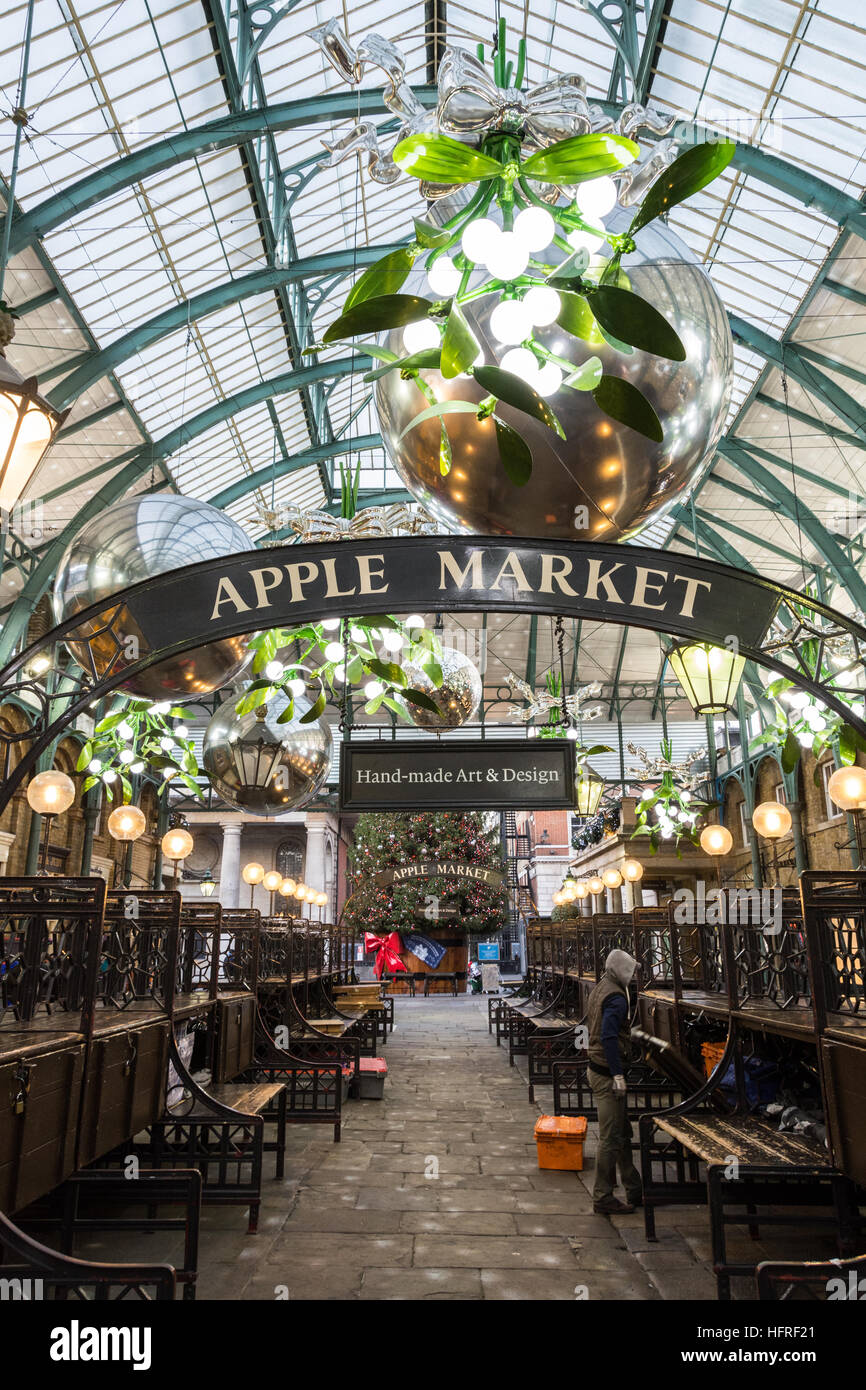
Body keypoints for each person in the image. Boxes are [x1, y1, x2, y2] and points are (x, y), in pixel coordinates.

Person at [586, 947, 643, 1215]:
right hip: (606, 1073)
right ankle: (602, 1196)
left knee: (621, 1132)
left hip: (596, 1067)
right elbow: (609, 1036)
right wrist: (618, 1074)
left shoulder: (602, 986)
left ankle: (634, 1188)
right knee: (610, 1137)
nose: (632, 976)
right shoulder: (617, 997)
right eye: (630, 971)